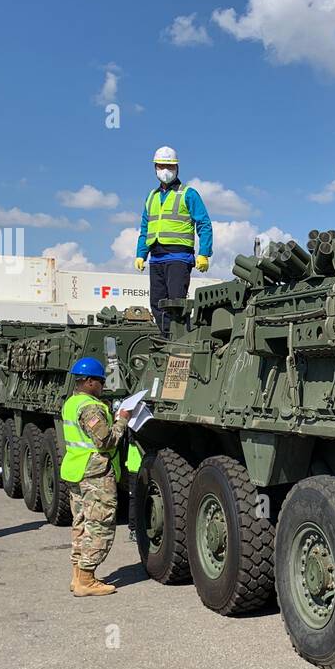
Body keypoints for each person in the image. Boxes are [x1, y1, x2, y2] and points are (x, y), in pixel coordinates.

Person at [60, 357, 130, 596]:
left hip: (76, 469)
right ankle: (87, 580)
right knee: (99, 524)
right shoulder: (90, 407)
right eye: (100, 381)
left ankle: (77, 576)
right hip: (94, 472)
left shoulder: (71, 403)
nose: (102, 385)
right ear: (88, 381)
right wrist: (122, 420)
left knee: (81, 523)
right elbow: (106, 440)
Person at [136, 145, 213, 336]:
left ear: (177, 168)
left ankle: (180, 341)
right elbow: (145, 228)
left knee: (176, 304)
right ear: (155, 168)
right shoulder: (151, 197)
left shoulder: (188, 193)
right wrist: (140, 255)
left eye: (169, 167)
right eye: (162, 166)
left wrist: (204, 253)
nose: (165, 171)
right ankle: (167, 340)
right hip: (156, 258)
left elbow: (204, 224)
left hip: (179, 258)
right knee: (157, 304)